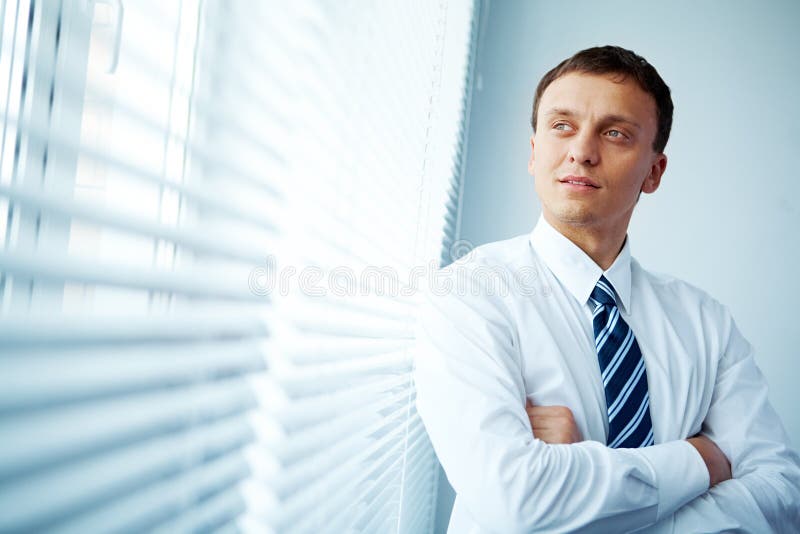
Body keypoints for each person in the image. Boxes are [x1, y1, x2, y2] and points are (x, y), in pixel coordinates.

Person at [413, 45, 800, 533]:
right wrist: (700, 461)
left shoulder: (707, 324)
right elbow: (516, 498)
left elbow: (779, 493)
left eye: (615, 133)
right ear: (534, 154)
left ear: (654, 172)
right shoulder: (468, 296)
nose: (581, 150)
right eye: (561, 126)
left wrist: (583, 483)